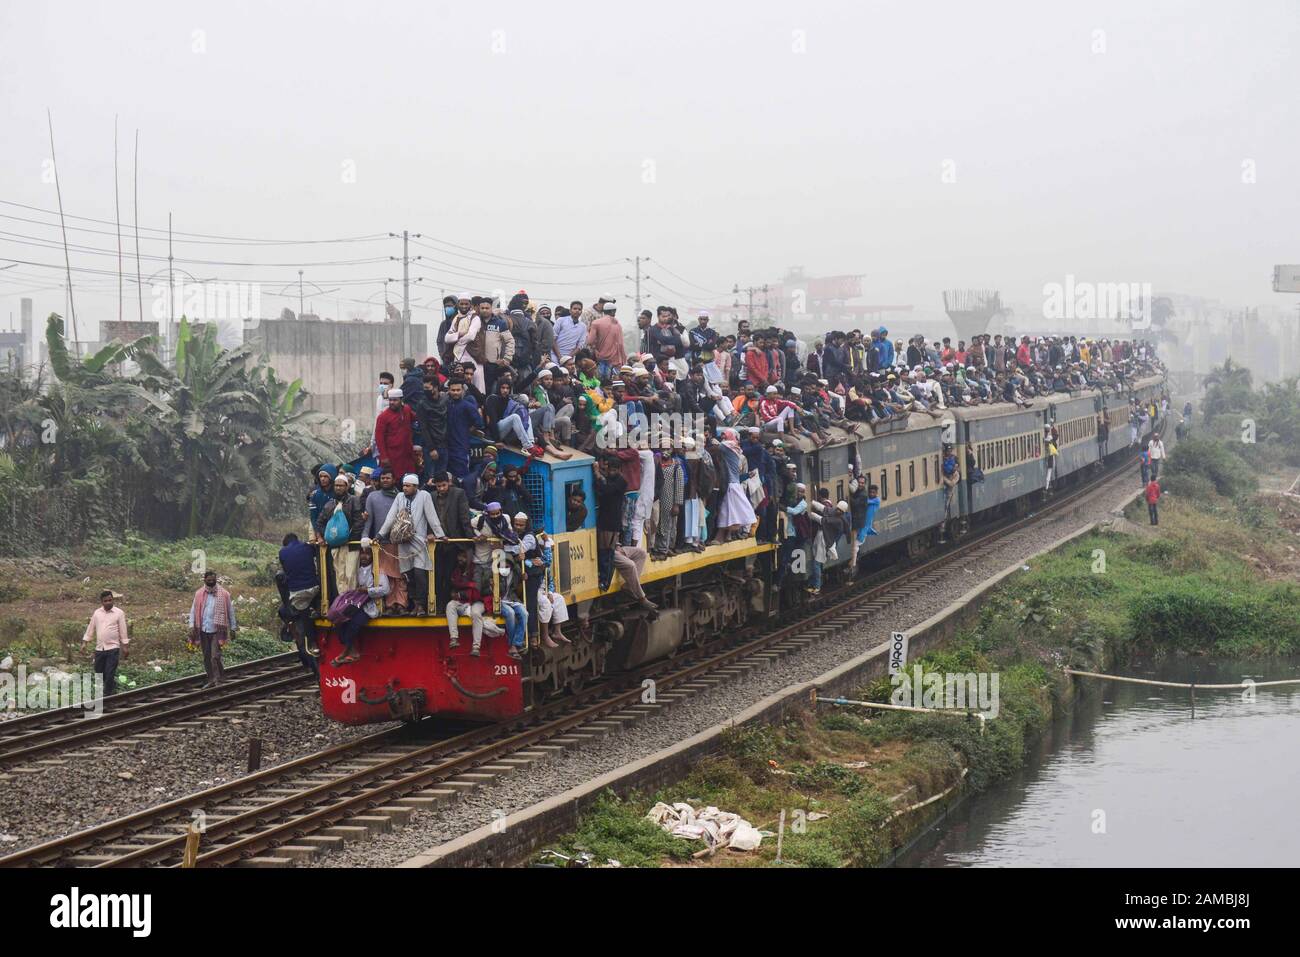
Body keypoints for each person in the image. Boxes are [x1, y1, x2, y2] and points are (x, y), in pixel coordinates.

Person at [378, 473, 446, 616]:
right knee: (409, 576)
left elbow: (431, 516)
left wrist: (440, 534)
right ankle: (415, 605)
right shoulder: (399, 497)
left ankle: (421, 605)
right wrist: (380, 534)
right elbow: (391, 517)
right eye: (404, 485)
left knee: (420, 574)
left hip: (419, 542)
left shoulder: (424, 496)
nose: (405, 488)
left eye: (408, 486)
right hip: (403, 542)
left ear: (415, 486)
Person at [331, 547, 389, 667]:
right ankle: (351, 650)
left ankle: (347, 651)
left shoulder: (378, 570)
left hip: (369, 606)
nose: (364, 556)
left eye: (367, 554)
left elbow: (385, 589)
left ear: (372, 556)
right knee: (338, 621)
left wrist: (368, 590)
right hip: (353, 604)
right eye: (362, 553)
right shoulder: (354, 570)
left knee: (355, 623)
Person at [188, 570, 237, 688]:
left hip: (217, 630)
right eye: (209, 580)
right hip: (203, 629)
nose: (211, 582)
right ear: (204, 580)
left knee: (215, 656)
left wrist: (233, 627)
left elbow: (230, 611)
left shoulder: (224, 594)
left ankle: (218, 680)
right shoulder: (199, 594)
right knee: (206, 656)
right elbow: (193, 610)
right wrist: (191, 625)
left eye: (213, 580)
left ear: (216, 580)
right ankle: (212, 678)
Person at [82, 589, 129, 697]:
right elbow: (91, 628)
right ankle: (112, 685)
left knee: (109, 671)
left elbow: (123, 631)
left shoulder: (119, 613)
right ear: (102, 602)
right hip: (100, 648)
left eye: (110, 600)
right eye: (105, 601)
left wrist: (125, 647)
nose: (108, 602)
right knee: (99, 672)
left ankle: (107, 695)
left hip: (113, 648)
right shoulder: (97, 613)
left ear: (113, 600)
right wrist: (85, 643)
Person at [446, 548, 489, 655]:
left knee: (476, 613)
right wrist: (467, 586)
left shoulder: (476, 569)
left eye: (463, 556)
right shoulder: (457, 570)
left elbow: (476, 589)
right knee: (450, 605)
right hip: (462, 602)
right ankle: (454, 638)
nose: (460, 559)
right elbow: (454, 583)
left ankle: (476, 647)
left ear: (469, 557)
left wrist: (461, 593)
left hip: (477, 601)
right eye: (459, 556)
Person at [374, 389, 419, 480]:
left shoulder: (406, 409)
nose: (392, 402)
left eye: (395, 400)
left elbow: (415, 418)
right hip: (392, 456)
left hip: (407, 455)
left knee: (410, 479)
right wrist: (384, 456)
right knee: (394, 479)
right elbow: (379, 438)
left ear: (401, 400)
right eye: (390, 400)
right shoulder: (383, 417)